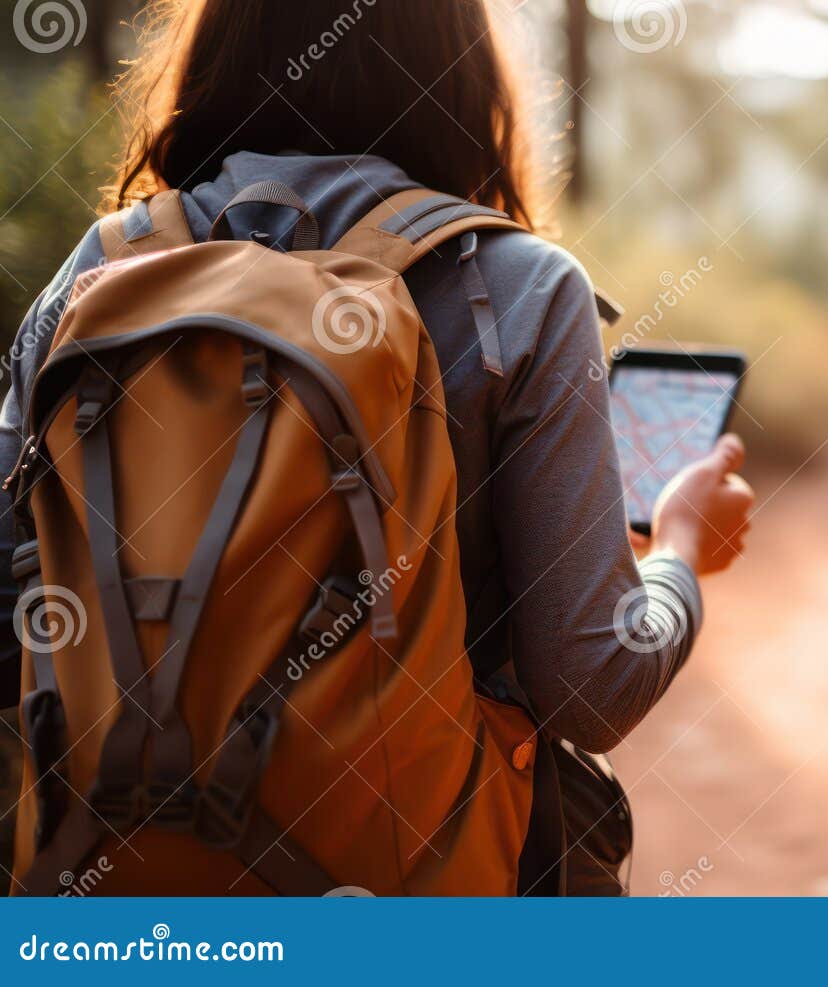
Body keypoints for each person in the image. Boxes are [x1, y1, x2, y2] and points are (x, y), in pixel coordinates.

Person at [0, 0, 754, 892]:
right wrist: (678, 549)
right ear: (460, 69)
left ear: (218, 48)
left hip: (111, 891)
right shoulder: (516, 288)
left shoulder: (99, 273)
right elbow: (592, 689)